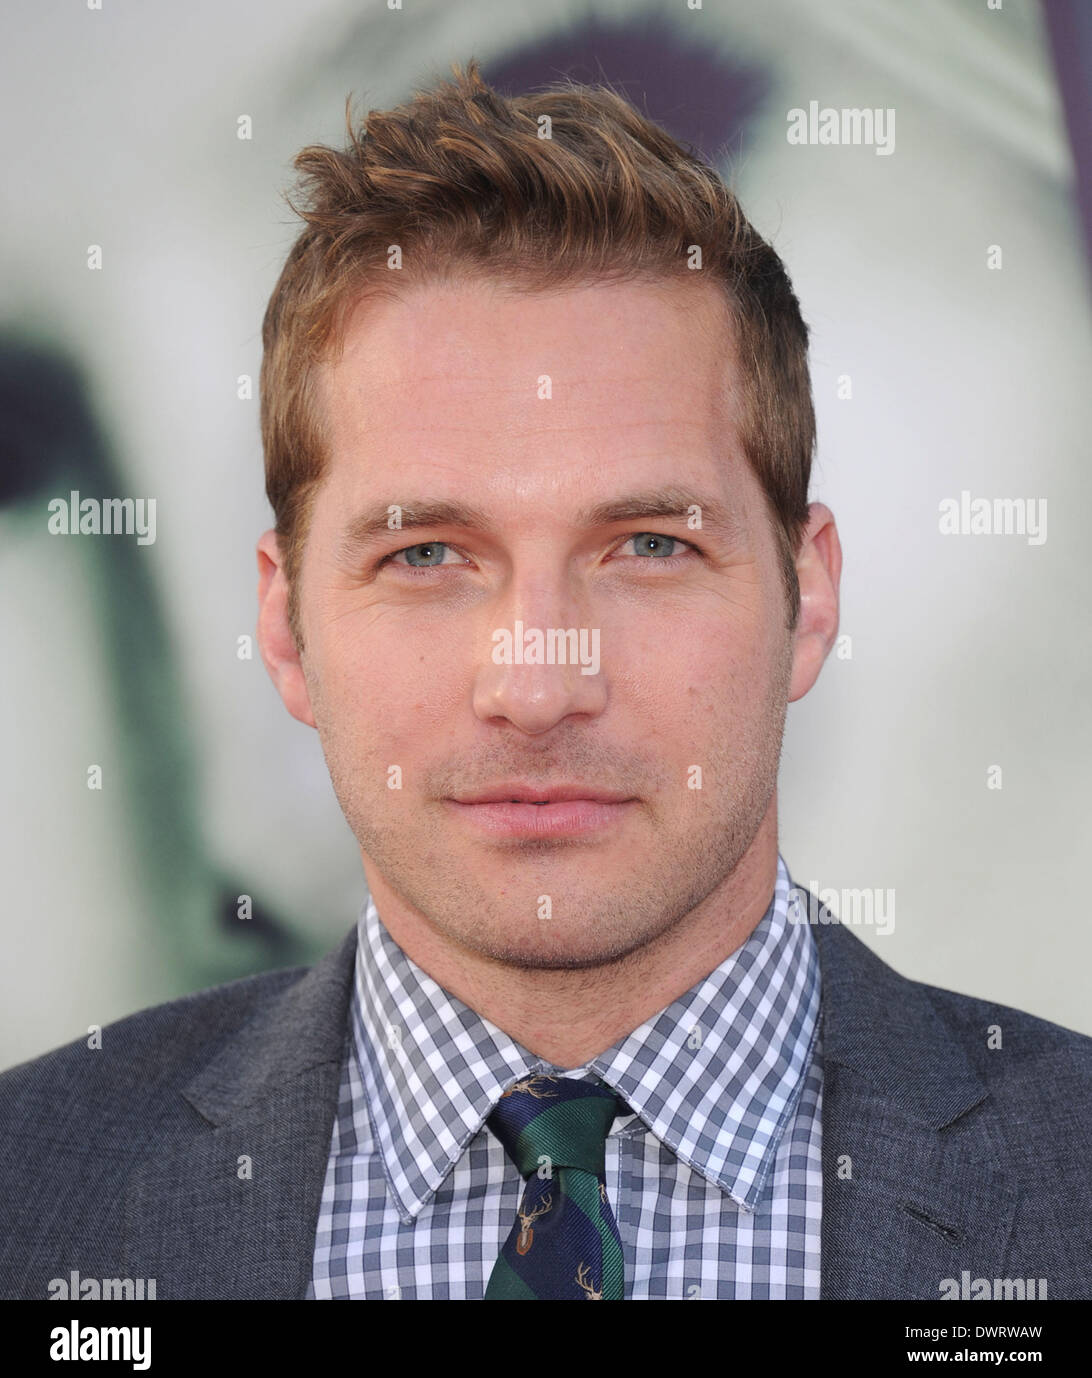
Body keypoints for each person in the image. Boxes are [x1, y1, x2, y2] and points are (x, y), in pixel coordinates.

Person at [1, 60, 1089, 1302]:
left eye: (648, 548)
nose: (537, 682)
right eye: (425, 555)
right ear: (286, 627)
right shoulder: (31, 1199)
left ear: (811, 602)